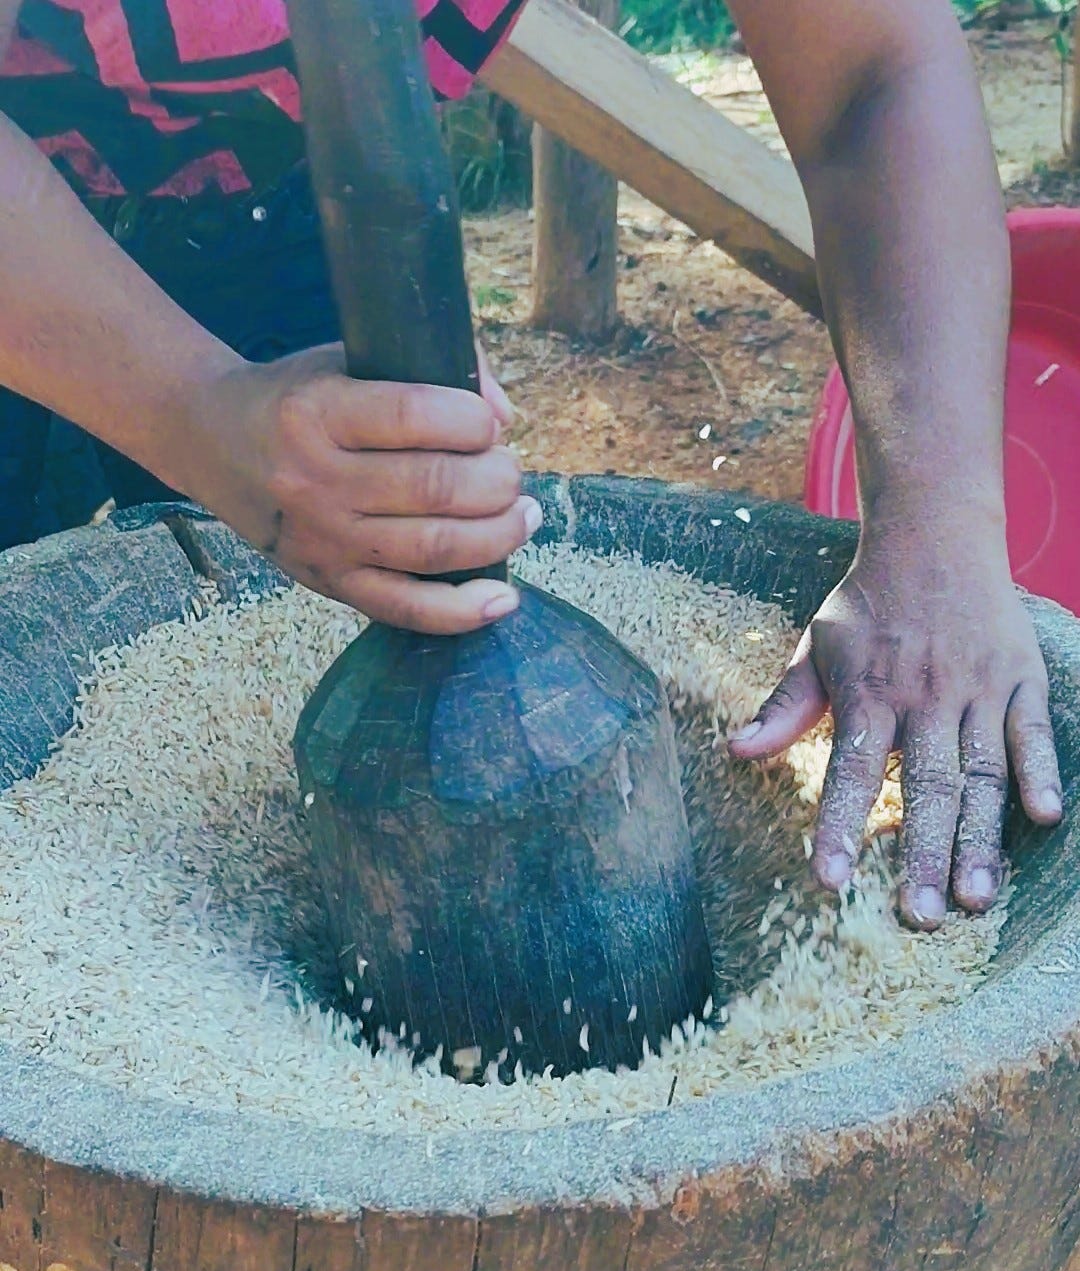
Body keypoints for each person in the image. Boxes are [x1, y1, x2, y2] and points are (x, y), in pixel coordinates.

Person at [0, 0, 1063, 934]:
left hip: (285, 171)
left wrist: (936, 521)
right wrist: (195, 415)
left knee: (375, 557)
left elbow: (873, 69)